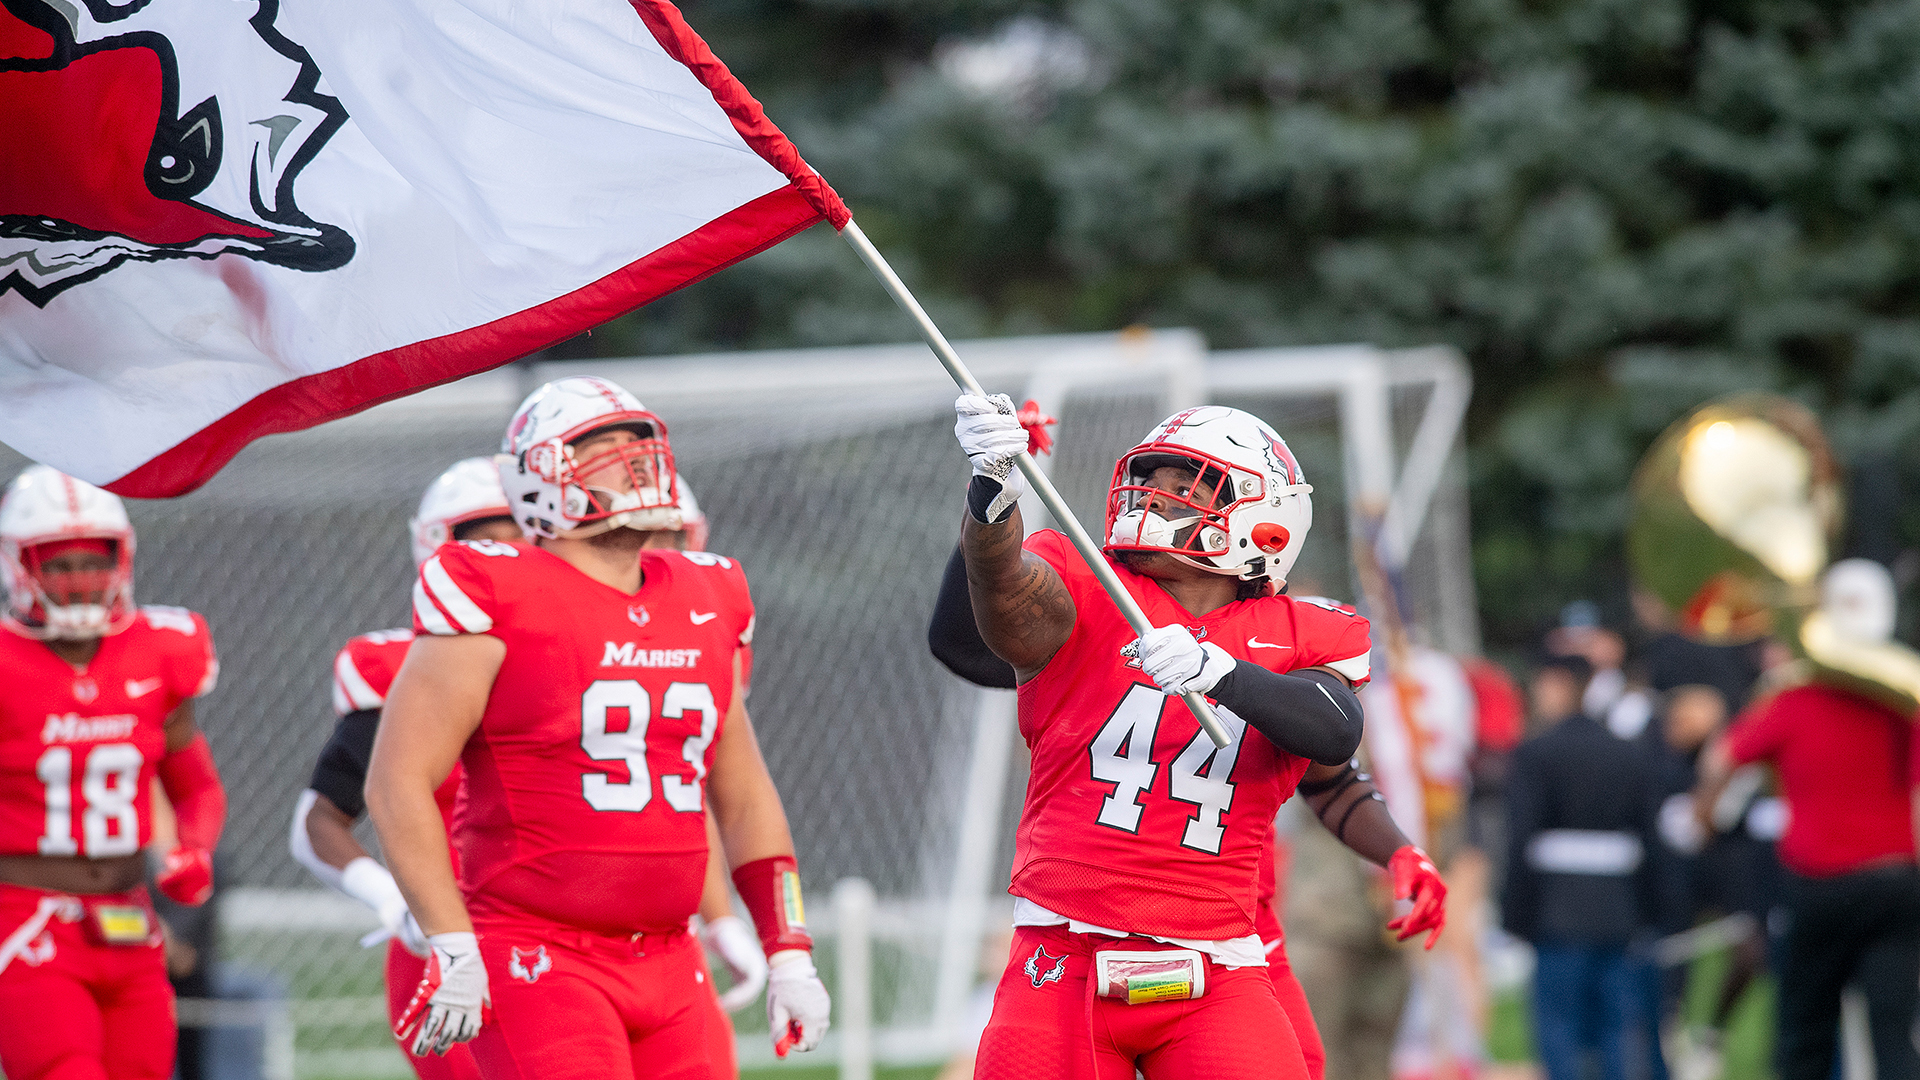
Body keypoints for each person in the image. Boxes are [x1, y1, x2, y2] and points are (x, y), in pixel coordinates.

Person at [949, 397, 1443, 1079]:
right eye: (1156, 478)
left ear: (1265, 524)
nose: (1157, 495)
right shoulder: (1084, 578)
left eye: (1188, 485)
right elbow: (1004, 606)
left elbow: (1332, 740)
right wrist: (992, 497)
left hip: (1219, 961)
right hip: (1063, 954)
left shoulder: (1304, 632)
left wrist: (1226, 673)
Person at [364, 376, 829, 1079]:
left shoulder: (709, 592)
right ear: (543, 476)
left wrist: (787, 944)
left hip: (672, 959)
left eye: (639, 442)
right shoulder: (495, 587)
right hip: (538, 956)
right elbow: (397, 781)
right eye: (603, 446)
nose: (635, 459)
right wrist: (452, 940)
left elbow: (743, 796)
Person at [0, 465, 227, 1080]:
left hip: (128, 916)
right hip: (26, 912)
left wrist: (195, 852)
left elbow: (197, 786)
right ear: (21, 565)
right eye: (60, 564)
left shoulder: (159, 648)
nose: (80, 581)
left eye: (93, 562)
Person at [1694, 559, 1920, 1080]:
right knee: (1895, 1034)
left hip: (1820, 881)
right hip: (1896, 877)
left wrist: (1705, 815)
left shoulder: (1794, 699)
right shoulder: (1903, 703)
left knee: (1805, 1032)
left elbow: (1721, 759)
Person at [1502, 652, 1667, 1080]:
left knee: (1559, 1027)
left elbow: (1520, 840)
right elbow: (1652, 840)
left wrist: (1513, 912)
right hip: (1619, 908)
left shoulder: (1536, 753)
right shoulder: (1628, 754)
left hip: (1556, 909)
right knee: (1618, 1026)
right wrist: (1654, 910)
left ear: (1559, 684)